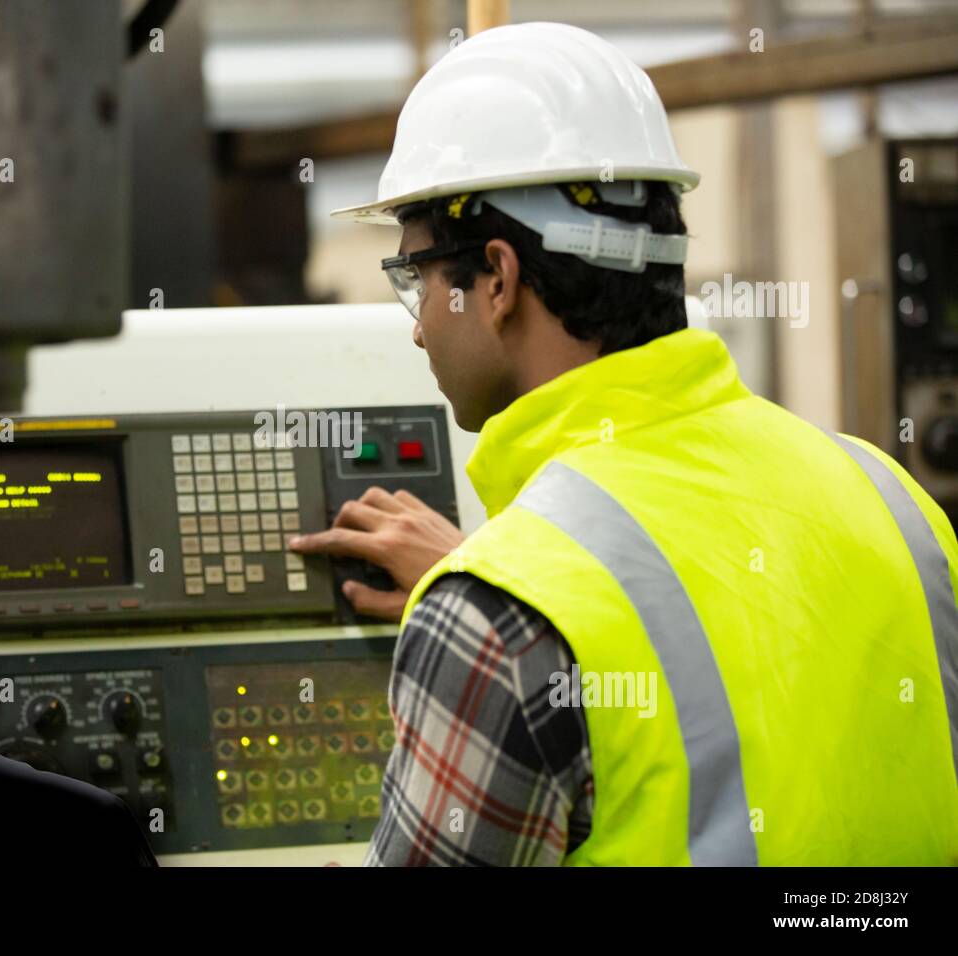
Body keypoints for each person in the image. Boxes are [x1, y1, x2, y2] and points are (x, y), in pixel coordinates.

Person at [287, 21, 958, 865]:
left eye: (415, 279)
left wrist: (490, 606)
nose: (419, 328)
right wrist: (497, 586)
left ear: (496, 280)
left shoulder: (498, 618)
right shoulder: (895, 504)